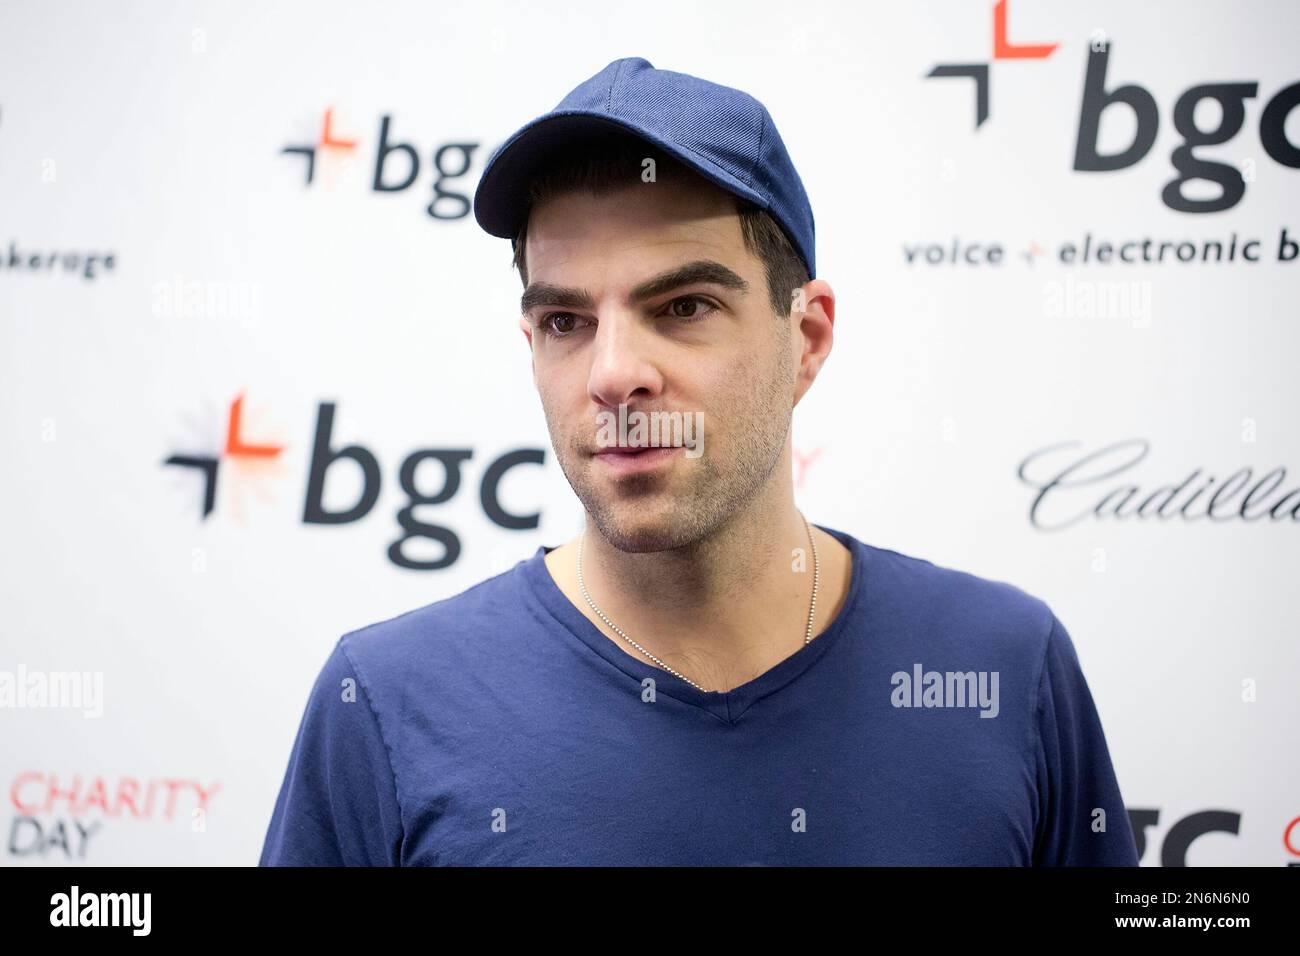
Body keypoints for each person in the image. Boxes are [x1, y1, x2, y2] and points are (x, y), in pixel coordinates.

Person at [259, 57, 1138, 866]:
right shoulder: (385, 703)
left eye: (682, 306)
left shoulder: (1003, 667)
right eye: (566, 322)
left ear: (807, 338)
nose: (614, 376)